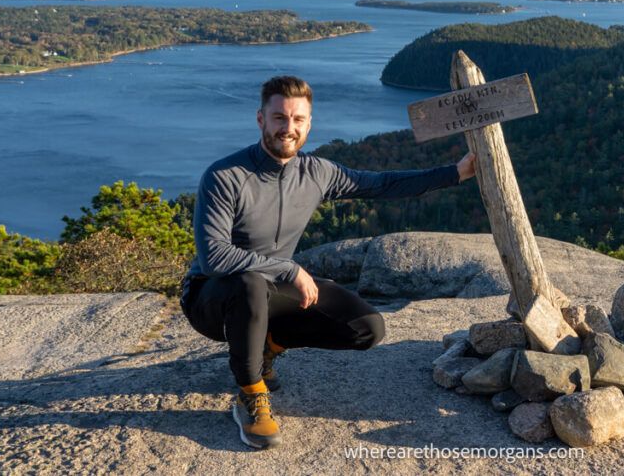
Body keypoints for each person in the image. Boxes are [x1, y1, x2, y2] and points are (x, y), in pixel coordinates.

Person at [180, 75, 476, 449]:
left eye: (298, 119)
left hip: (269, 293)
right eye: (279, 118)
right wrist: (291, 270)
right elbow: (215, 256)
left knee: (366, 327)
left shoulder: (316, 173)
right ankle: (250, 392)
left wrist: (455, 173)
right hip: (212, 298)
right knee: (250, 283)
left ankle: (267, 344)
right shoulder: (226, 176)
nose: (288, 128)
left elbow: (382, 184)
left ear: (309, 123)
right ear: (260, 119)